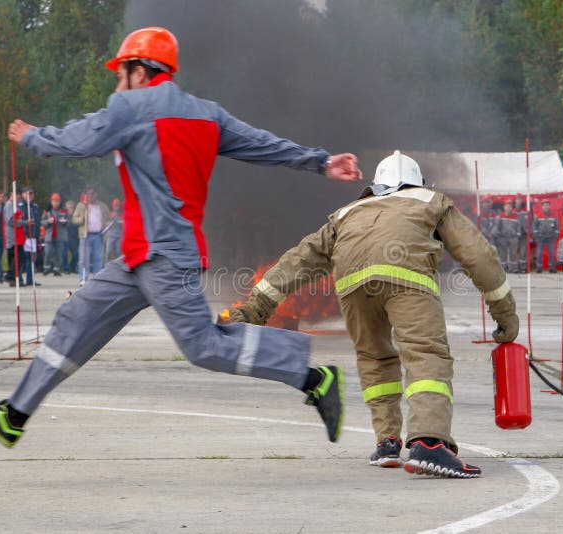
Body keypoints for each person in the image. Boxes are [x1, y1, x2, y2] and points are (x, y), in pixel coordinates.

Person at [0, 26, 362, 450]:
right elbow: (262, 144)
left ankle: (311, 375)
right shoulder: (208, 113)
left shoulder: (127, 108)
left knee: (203, 346)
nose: (118, 83)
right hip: (140, 257)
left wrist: (32, 137)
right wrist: (320, 162)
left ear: (140, 69)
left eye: (121, 73)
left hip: (165, 257)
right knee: (76, 318)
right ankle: (15, 414)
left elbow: (78, 140)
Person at [221, 151, 518, 479]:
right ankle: (429, 443)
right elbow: (478, 255)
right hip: (407, 277)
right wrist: (504, 314)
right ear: (418, 181)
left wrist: (254, 309)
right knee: (424, 355)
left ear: (375, 185)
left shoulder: (347, 212)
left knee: (375, 358)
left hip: (352, 285)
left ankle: (387, 442)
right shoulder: (431, 200)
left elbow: (298, 260)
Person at [71, 187, 109, 285]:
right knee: (84, 259)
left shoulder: (103, 206)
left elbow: (107, 219)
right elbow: (74, 219)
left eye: (92, 193)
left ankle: (97, 279)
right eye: (88, 194)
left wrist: (108, 225)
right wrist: (82, 219)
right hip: (85, 235)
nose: (90, 196)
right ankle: (83, 278)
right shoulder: (82, 205)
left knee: (98, 259)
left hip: (99, 235)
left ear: (96, 194)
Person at [42, 193, 69, 276]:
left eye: (57, 201)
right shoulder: (47, 211)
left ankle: (56, 269)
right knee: (48, 252)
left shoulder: (64, 211)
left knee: (59, 253)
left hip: (60, 235)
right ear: (51, 201)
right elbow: (42, 222)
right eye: (54, 201)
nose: (55, 203)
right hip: (49, 235)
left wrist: (65, 222)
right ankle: (46, 267)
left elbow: (69, 221)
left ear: (59, 201)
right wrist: (47, 222)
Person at [4, 191, 26, 286]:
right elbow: (11, 221)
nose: (18, 199)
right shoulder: (9, 205)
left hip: (18, 235)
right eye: (16, 197)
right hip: (13, 236)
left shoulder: (15, 206)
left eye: (19, 197)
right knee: (19, 256)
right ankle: (10, 275)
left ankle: (14, 279)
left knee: (15, 257)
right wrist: (24, 222)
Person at [532, 199, 559, 273]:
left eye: (547, 205)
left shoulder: (554, 215)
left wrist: (556, 234)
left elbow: (557, 226)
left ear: (549, 206)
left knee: (551, 252)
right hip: (541, 237)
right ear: (542, 207)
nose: (546, 207)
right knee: (539, 252)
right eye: (544, 205)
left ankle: (552, 268)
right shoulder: (538, 215)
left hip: (551, 237)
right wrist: (536, 235)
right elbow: (534, 226)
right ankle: (539, 268)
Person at [495, 199, 521, 273]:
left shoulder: (516, 216)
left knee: (513, 253)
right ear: (504, 207)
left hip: (513, 238)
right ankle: (503, 268)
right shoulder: (500, 216)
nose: (509, 208)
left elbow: (519, 226)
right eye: (507, 206)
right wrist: (498, 234)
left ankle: (513, 268)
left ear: (512, 208)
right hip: (502, 237)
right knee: (503, 254)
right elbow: (497, 226)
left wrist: (518, 234)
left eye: (510, 206)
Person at [104, 198, 123, 265]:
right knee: (108, 252)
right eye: (115, 205)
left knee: (118, 252)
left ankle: (119, 267)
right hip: (110, 236)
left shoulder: (122, 215)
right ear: (112, 206)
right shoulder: (110, 214)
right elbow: (106, 223)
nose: (116, 207)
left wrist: (120, 220)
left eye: (117, 205)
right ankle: (107, 266)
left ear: (119, 206)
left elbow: (124, 224)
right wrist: (110, 220)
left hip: (119, 236)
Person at [512, 193, 529, 273]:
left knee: (523, 252)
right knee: (514, 251)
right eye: (517, 199)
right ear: (515, 201)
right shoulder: (512, 212)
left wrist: (529, 233)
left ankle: (523, 267)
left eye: (520, 199)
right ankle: (514, 268)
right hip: (514, 235)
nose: (518, 201)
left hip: (523, 235)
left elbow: (529, 222)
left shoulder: (525, 212)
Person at [64, 200, 79, 274]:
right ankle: (66, 269)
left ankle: (73, 267)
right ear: (66, 208)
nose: (70, 209)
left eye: (72, 208)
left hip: (74, 238)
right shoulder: (63, 216)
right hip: (65, 237)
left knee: (76, 254)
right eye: (69, 208)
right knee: (64, 254)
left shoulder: (76, 216)